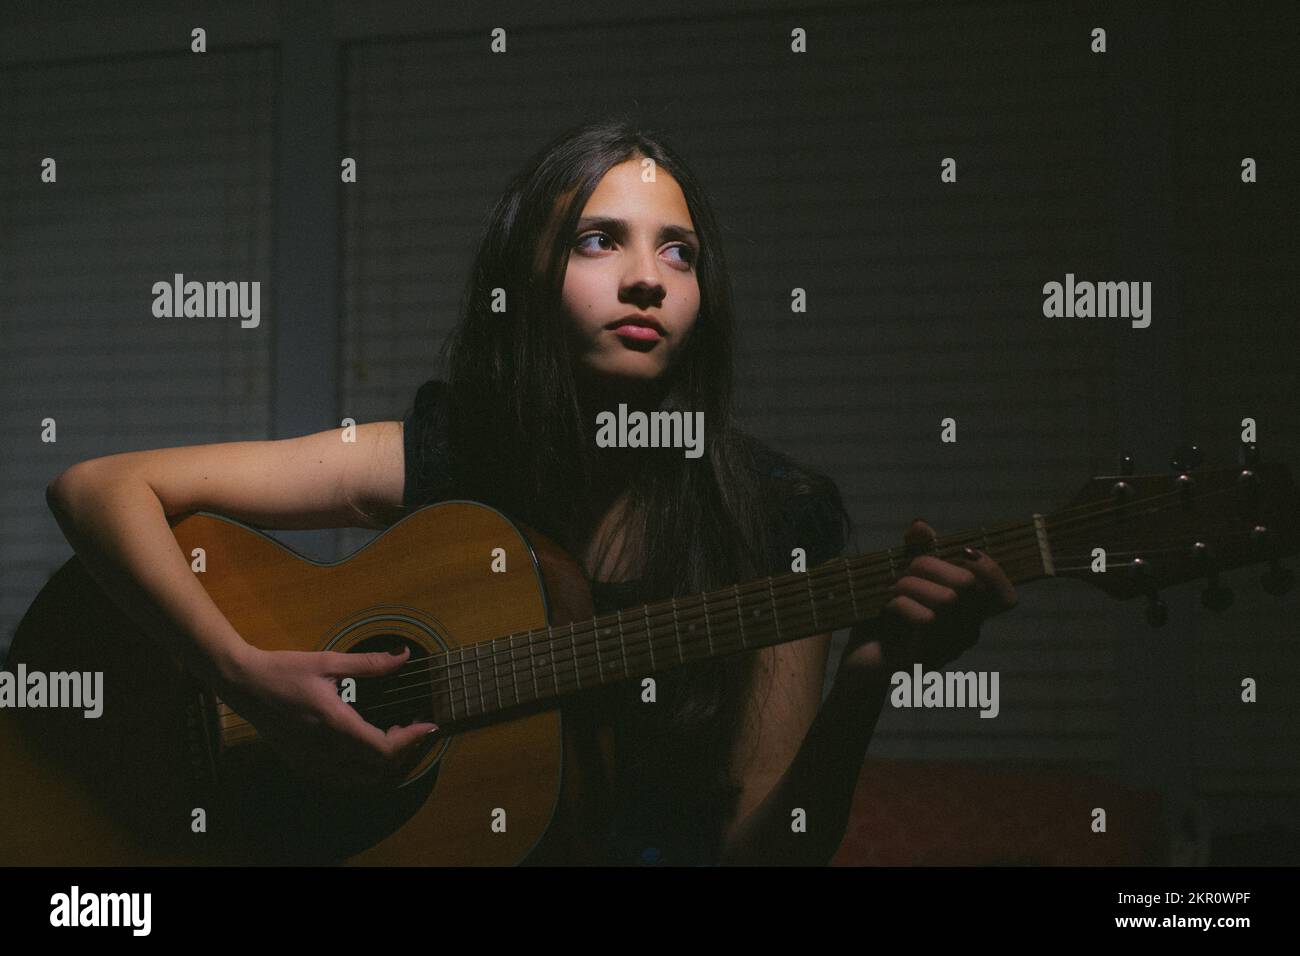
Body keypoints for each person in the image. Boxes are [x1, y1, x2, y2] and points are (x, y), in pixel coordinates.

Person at [45, 118, 1018, 867]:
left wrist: (867, 677)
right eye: (602, 240)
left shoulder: (774, 515)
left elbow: (772, 849)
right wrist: (238, 672)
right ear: (528, 276)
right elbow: (98, 486)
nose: (648, 279)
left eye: (678, 251)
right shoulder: (440, 453)